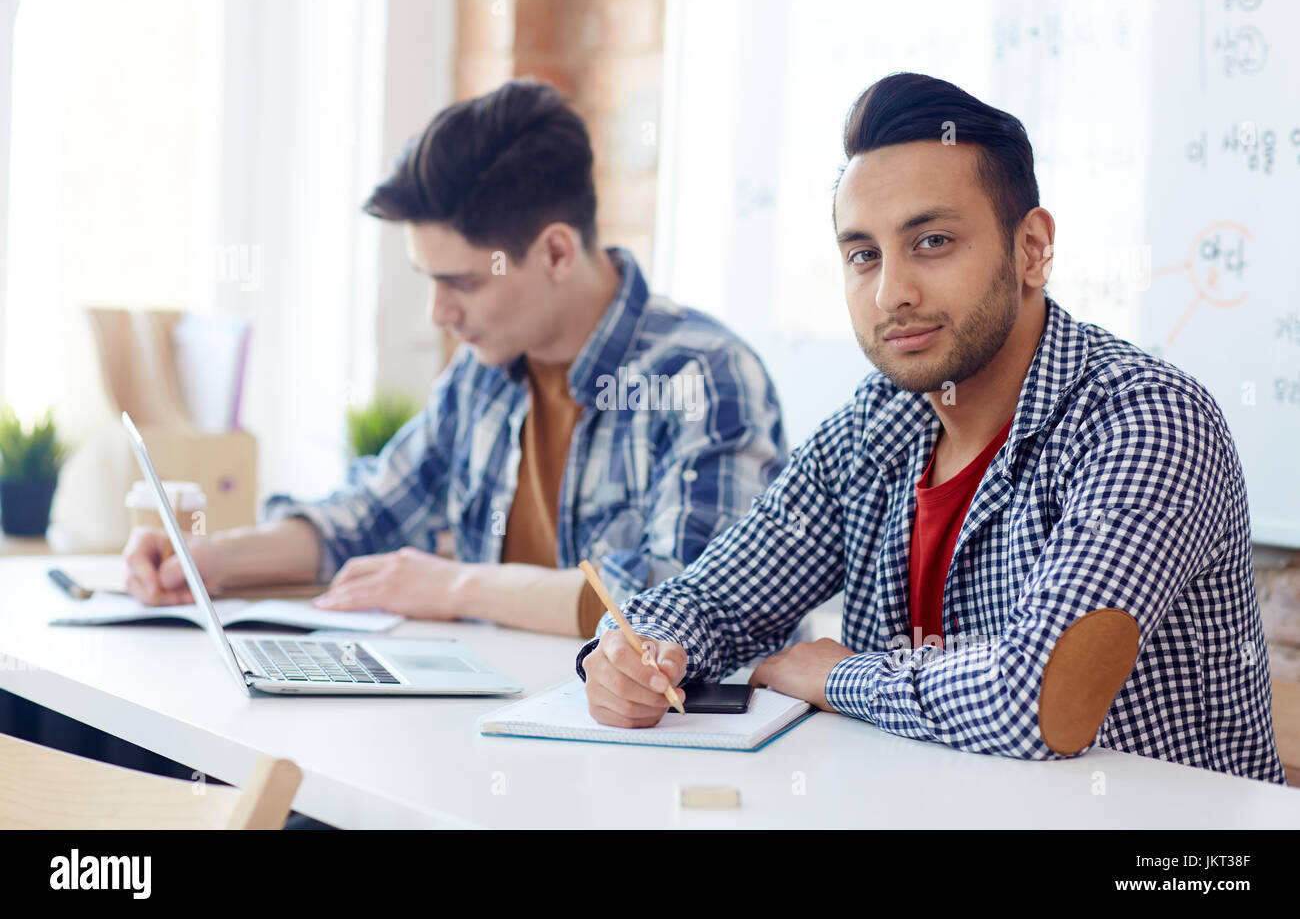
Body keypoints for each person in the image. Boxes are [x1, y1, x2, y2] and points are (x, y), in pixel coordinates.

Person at [577, 71, 1286, 784]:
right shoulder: (876, 420)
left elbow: (1034, 697)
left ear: (1033, 247)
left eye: (933, 241)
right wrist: (632, 653)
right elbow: (715, 597)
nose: (892, 293)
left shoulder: (1146, 419)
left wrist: (838, 675)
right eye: (864, 255)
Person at [123, 79, 787, 638]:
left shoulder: (702, 377)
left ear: (556, 252)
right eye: (428, 280)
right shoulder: (484, 375)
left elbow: (685, 600)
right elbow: (368, 515)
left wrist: (461, 586)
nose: (437, 313)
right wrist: (211, 558)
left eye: (463, 282)